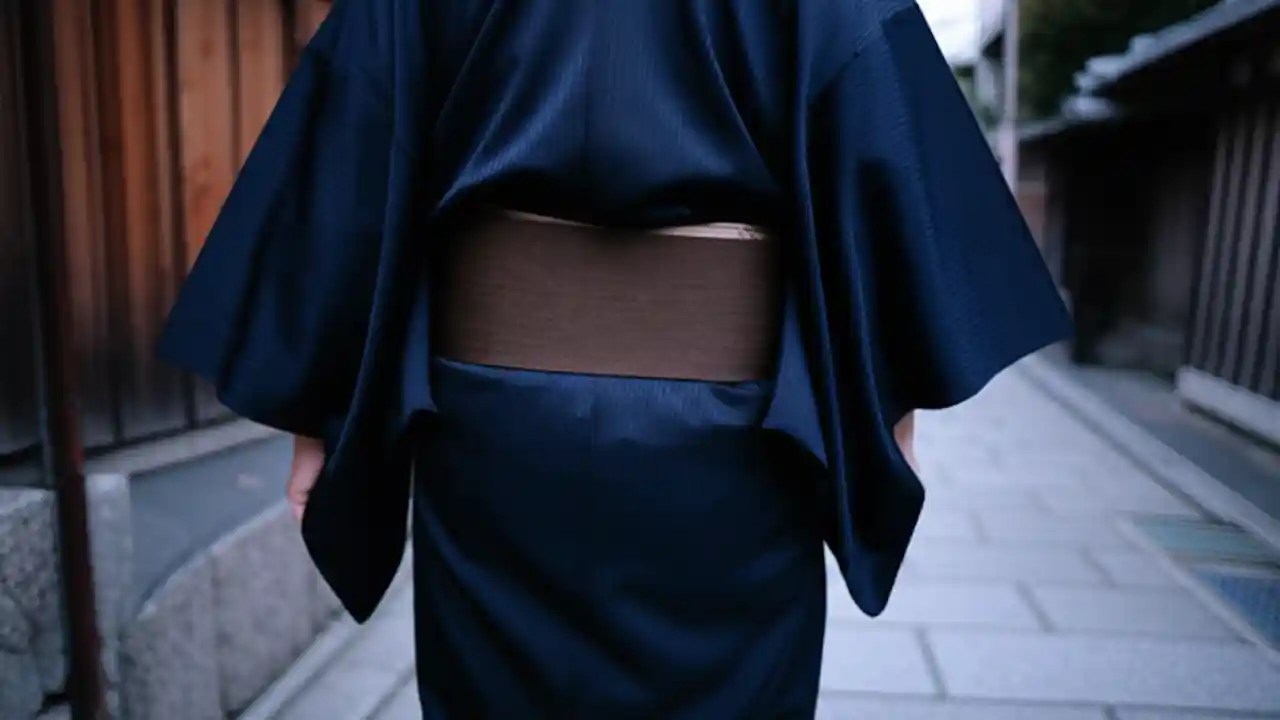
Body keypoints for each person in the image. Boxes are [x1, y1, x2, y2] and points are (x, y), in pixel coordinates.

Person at [158, 0, 1073, 716]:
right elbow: (873, 144)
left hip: (497, 423)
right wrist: (888, 403)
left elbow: (354, 135)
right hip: (727, 433)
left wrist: (318, 407)